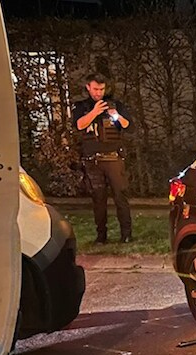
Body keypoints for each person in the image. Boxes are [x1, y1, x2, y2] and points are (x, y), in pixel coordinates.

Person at [72, 73, 133, 244]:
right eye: (95, 89)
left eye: (102, 89)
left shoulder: (115, 104)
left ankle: (126, 234)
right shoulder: (81, 106)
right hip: (93, 160)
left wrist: (117, 116)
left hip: (114, 158)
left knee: (121, 197)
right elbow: (79, 125)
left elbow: (129, 126)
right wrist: (94, 112)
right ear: (88, 88)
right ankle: (101, 235)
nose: (99, 93)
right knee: (98, 199)